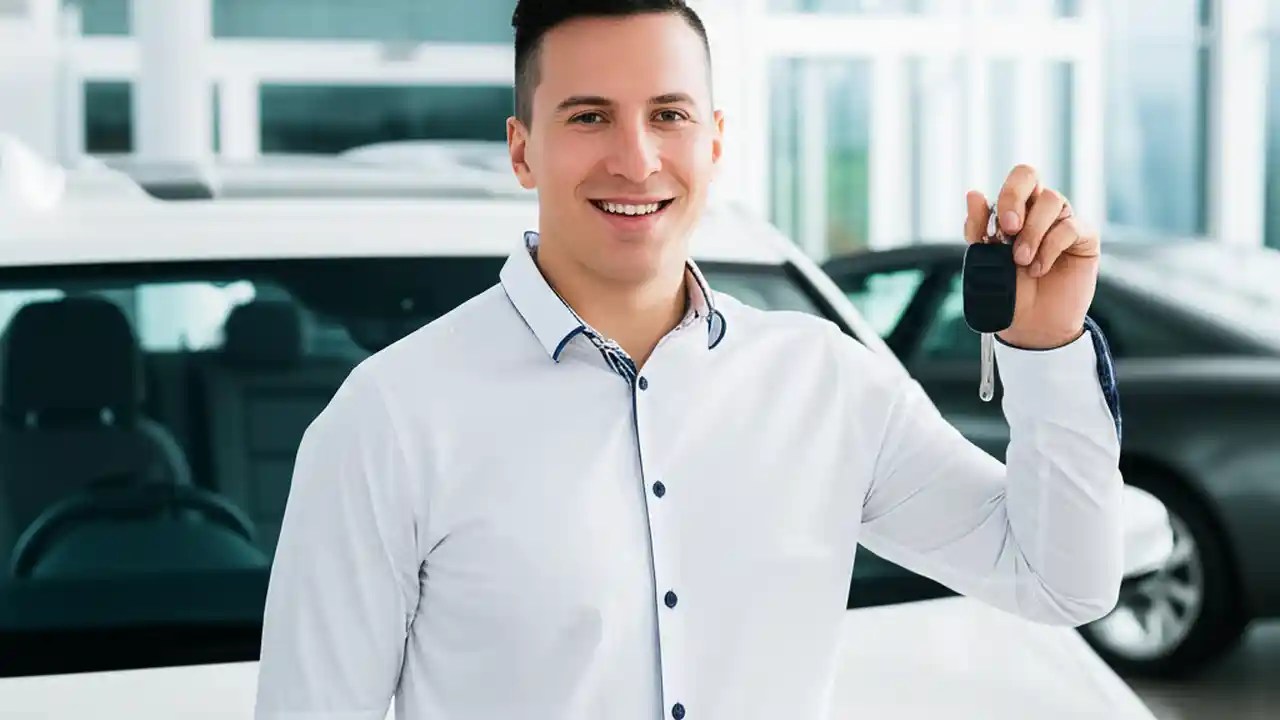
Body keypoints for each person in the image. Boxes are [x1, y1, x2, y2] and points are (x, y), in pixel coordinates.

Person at [254, 1, 1124, 719]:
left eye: (668, 115)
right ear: (522, 149)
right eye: (589, 116)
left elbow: (1060, 583)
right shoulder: (390, 418)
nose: (636, 160)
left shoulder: (828, 383)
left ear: (713, 140)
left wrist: (1046, 347)